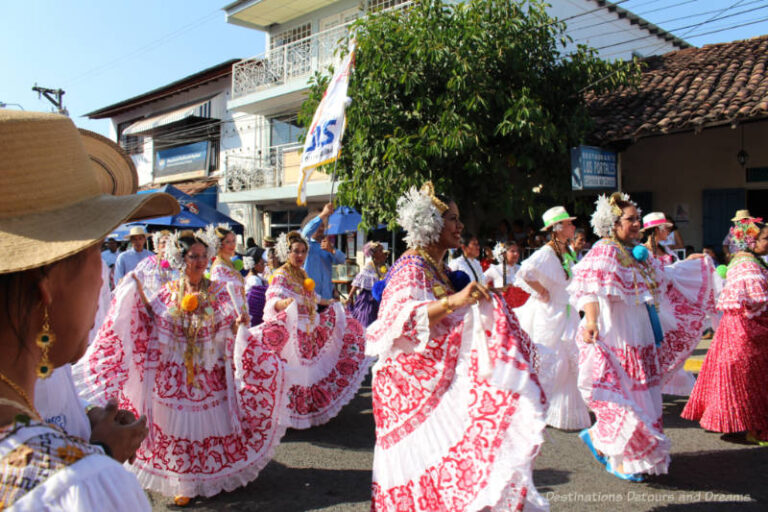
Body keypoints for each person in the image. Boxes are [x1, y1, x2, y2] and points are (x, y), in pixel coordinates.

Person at [0, 110, 180, 509]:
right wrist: (96, 458)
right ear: (47, 285)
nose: (102, 281)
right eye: (95, 250)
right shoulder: (81, 486)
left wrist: (83, 431)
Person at [366, 182, 548, 511]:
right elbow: (401, 318)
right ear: (430, 223)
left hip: (436, 379)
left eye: (458, 218)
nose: (460, 226)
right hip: (411, 387)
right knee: (426, 469)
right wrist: (456, 301)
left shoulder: (441, 269)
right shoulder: (410, 267)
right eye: (452, 219)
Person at [75, 230, 290, 505]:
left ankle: (208, 475)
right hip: (174, 377)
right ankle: (184, 482)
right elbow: (151, 321)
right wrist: (135, 293)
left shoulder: (218, 291)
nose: (200, 261)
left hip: (208, 373)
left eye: (203, 256)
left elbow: (230, 326)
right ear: (181, 259)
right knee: (178, 429)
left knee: (208, 427)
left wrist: (238, 325)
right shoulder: (167, 292)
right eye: (193, 256)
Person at [569, 192, 716, 481]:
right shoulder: (605, 251)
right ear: (612, 223)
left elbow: (663, 276)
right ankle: (619, 455)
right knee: (624, 397)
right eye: (630, 219)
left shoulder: (638, 252)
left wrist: (691, 263)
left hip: (641, 332)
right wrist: (592, 321)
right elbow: (589, 290)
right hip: (617, 334)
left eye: (638, 218)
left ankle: (637, 455)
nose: (637, 224)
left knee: (644, 394)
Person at [260, 231, 370, 429]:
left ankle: (304, 411)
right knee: (294, 373)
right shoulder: (281, 274)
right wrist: (283, 303)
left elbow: (313, 297)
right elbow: (272, 298)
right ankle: (289, 414)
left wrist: (329, 302)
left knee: (307, 373)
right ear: (287, 253)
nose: (300, 255)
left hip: (308, 330)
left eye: (303, 251)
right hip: (293, 333)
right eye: (296, 251)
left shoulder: (302, 273)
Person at [682, 218, 768, 445]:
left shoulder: (747, 261)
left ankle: (742, 424)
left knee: (739, 380)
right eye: (765, 238)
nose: (767, 242)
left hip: (739, 330)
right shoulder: (747, 264)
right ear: (751, 241)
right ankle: (753, 428)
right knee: (752, 381)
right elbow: (756, 301)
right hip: (746, 332)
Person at [514, 206, 589, 430]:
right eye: (569, 224)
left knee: (568, 362)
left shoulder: (566, 250)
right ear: (557, 228)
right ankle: (534, 407)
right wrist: (542, 291)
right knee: (551, 362)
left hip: (566, 312)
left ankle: (561, 412)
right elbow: (525, 272)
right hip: (550, 314)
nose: (573, 227)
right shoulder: (547, 252)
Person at [301, 204, 346, 300]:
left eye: (323, 226)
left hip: (326, 296)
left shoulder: (327, 246)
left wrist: (332, 250)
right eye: (318, 226)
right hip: (310, 296)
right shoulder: (306, 244)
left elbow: (343, 260)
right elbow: (305, 232)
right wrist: (324, 214)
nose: (321, 229)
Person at [209, 225, 249, 321]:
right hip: (229, 318)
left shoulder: (230, 264)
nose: (232, 244)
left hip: (241, 314)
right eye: (227, 242)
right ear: (219, 244)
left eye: (233, 241)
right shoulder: (219, 268)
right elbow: (219, 298)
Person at [347, 241, 388, 327]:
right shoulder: (369, 266)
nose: (383, 253)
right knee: (367, 319)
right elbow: (358, 281)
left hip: (381, 298)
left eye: (382, 250)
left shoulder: (385, 266)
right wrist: (350, 296)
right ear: (374, 254)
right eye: (380, 251)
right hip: (368, 298)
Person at [131, 229, 177, 299]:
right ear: (157, 245)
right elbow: (135, 281)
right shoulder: (147, 263)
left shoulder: (177, 264)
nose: (166, 245)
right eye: (163, 242)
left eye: (169, 242)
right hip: (150, 301)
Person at [244, 246, 268, 326]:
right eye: (262, 264)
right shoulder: (254, 280)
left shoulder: (251, 277)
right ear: (255, 265)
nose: (264, 266)